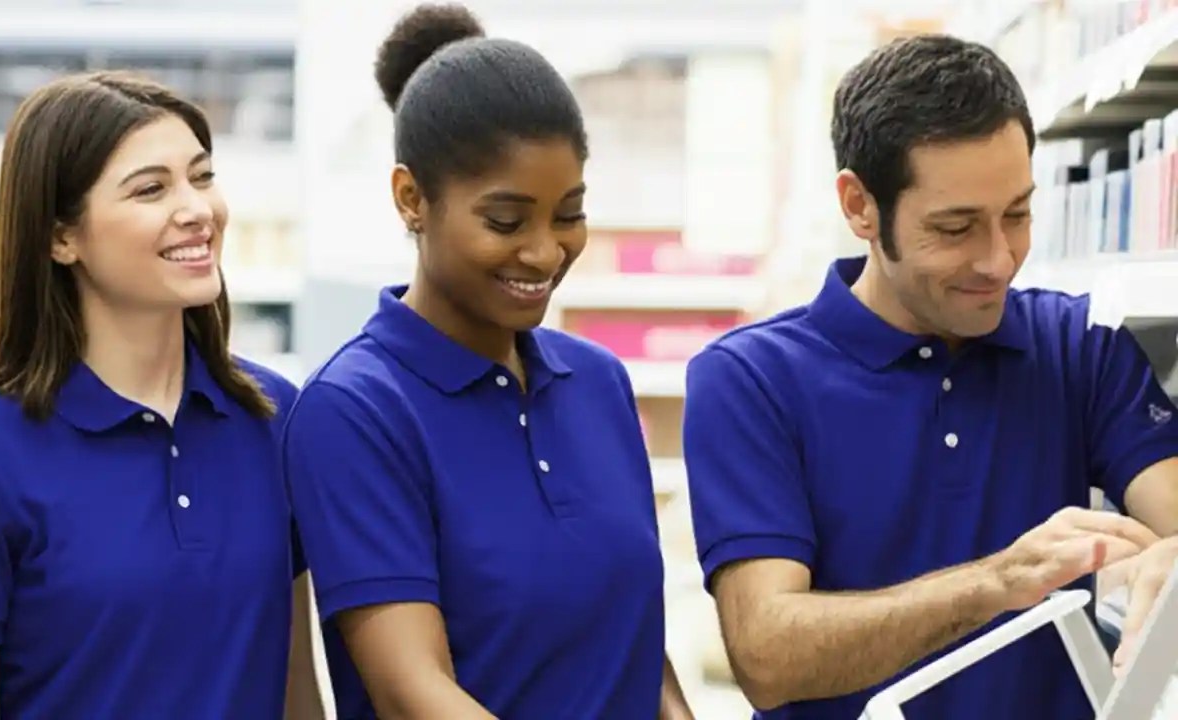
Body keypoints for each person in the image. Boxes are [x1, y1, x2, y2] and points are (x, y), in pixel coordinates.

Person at [683, 33, 1178, 720]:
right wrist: (997, 582)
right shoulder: (750, 380)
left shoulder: (1080, 347)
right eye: (954, 228)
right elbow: (767, 658)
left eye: (1017, 214)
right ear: (860, 206)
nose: (999, 260)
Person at [282, 4, 693, 719]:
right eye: (505, 221)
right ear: (412, 198)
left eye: (569, 214)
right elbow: (412, 693)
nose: (545, 251)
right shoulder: (354, 410)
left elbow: (637, 642)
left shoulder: (598, 383)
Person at [0, 71, 323, 720]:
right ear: (60, 237)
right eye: (151, 188)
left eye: (202, 177)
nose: (197, 210)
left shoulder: (274, 416)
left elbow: (297, 692)